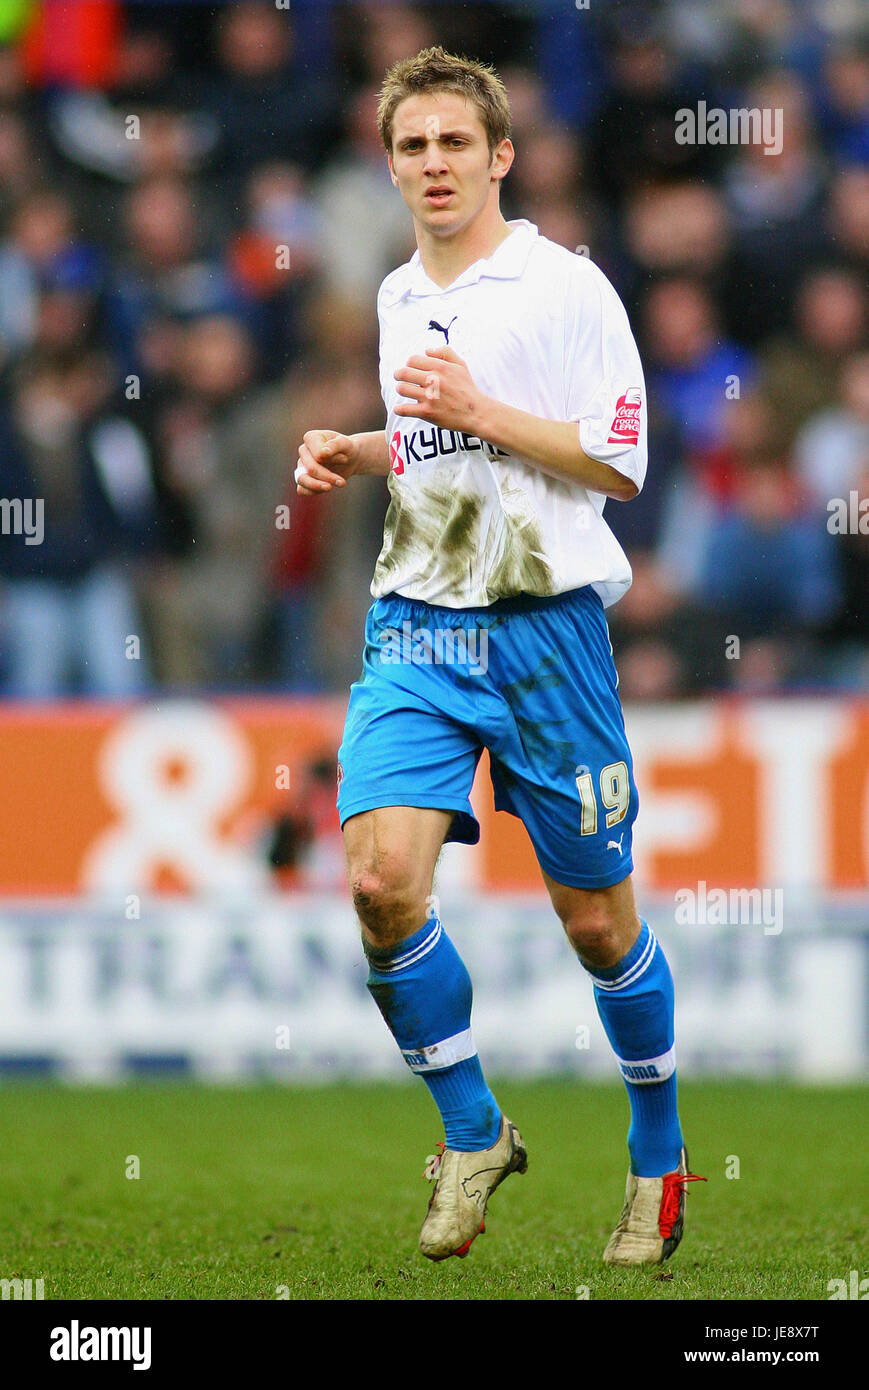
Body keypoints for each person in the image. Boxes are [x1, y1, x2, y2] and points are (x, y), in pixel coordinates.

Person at [295, 45, 704, 1267]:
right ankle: (472, 1132)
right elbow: (441, 454)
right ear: (390, 162)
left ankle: (657, 1153)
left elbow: (616, 460)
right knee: (378, 884)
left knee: (594, 924)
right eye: (411, 146)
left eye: (454, 144)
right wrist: (360, 448)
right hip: (416, 623)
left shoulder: (567, 286)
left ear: (500, 157)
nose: (433, 164)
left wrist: (480, 412)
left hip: (543, 634)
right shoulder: (392, 295)